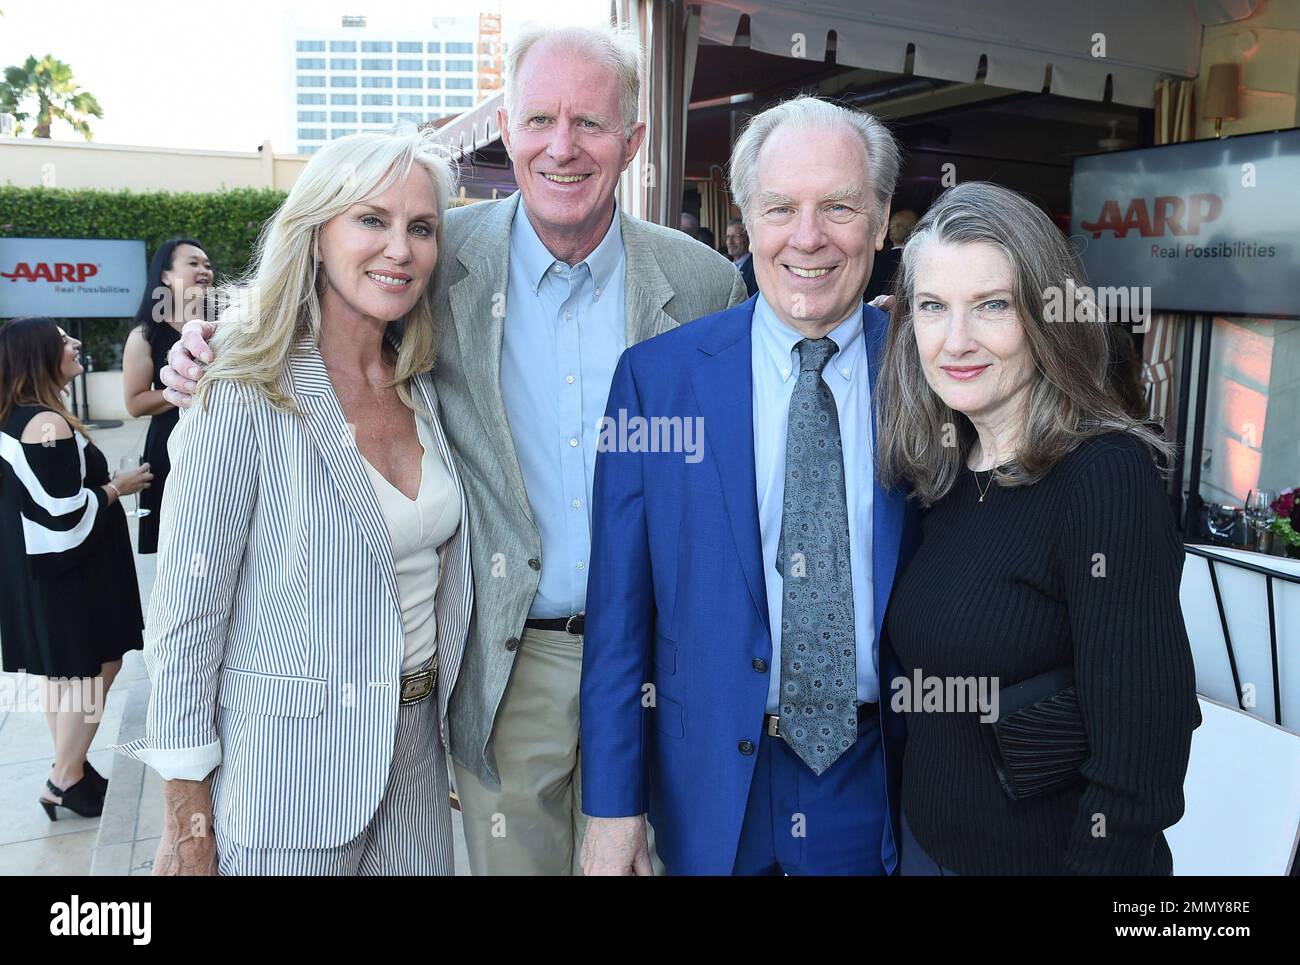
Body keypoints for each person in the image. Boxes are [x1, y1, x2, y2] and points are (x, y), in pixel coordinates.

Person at [159, 23, 746, 876]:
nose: (563, 147)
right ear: (507, 127)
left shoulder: (703, 286)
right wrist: (219, 344)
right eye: (540, 119)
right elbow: (324, 301)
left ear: (634, 141)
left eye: (590, 123)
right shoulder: (443, 257)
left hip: (663, 660)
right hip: (509, 664)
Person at [114, 127, 472, 876]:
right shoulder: (241, 383)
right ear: (315, 234)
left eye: (421, 227)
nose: (399, 249)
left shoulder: (425, 380)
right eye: (371, 220)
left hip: (416, 760)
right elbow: (187, 611)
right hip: (286, 776)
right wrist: (186, 815)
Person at [580, 95, 918, 875]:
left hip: (879, 781)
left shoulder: (926, 371)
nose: (808, 236)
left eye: (838, 206)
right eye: (780, 208)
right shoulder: (655, 382)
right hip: (707, 793)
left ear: (879, 221)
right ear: (744, 221)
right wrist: (611, 809)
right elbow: (618, 624)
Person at [876, 181, 1197, 874]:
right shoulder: (943, 469)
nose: (955, 340)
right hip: (924, 849)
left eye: (992, 305)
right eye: (933, 307)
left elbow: (1142, 757)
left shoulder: (1104, 476)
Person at [0, 317, 151, 820]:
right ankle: (62, 778)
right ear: (38, 356)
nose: (76, 343)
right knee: (94, 671)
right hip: (74, 570)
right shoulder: (47, 425)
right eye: (63, 340)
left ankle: (75, 769)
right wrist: (117, 488)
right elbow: (63, 514)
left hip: (40, 572)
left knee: (65, 676)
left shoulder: (16, 416)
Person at [122, 237, 213, 553]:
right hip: (170, 448)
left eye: (207, 265)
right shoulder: (145, 333)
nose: (204, 270)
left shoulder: (223, 324)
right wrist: (189, 384)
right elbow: (134, 403)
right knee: (178, 545)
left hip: (219, 441)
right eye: (193, 263)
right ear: (164, 276)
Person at [863, 207, 917, 301]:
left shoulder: (877, 259)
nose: (892, 229)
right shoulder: (917, 262)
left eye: (898, 226)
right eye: (893, 225)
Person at [726, 218, 758, 297]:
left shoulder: (756, 266)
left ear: (747, 238)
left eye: (736, 236)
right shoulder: (725, 265)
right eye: (728, 237)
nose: (730, 242)